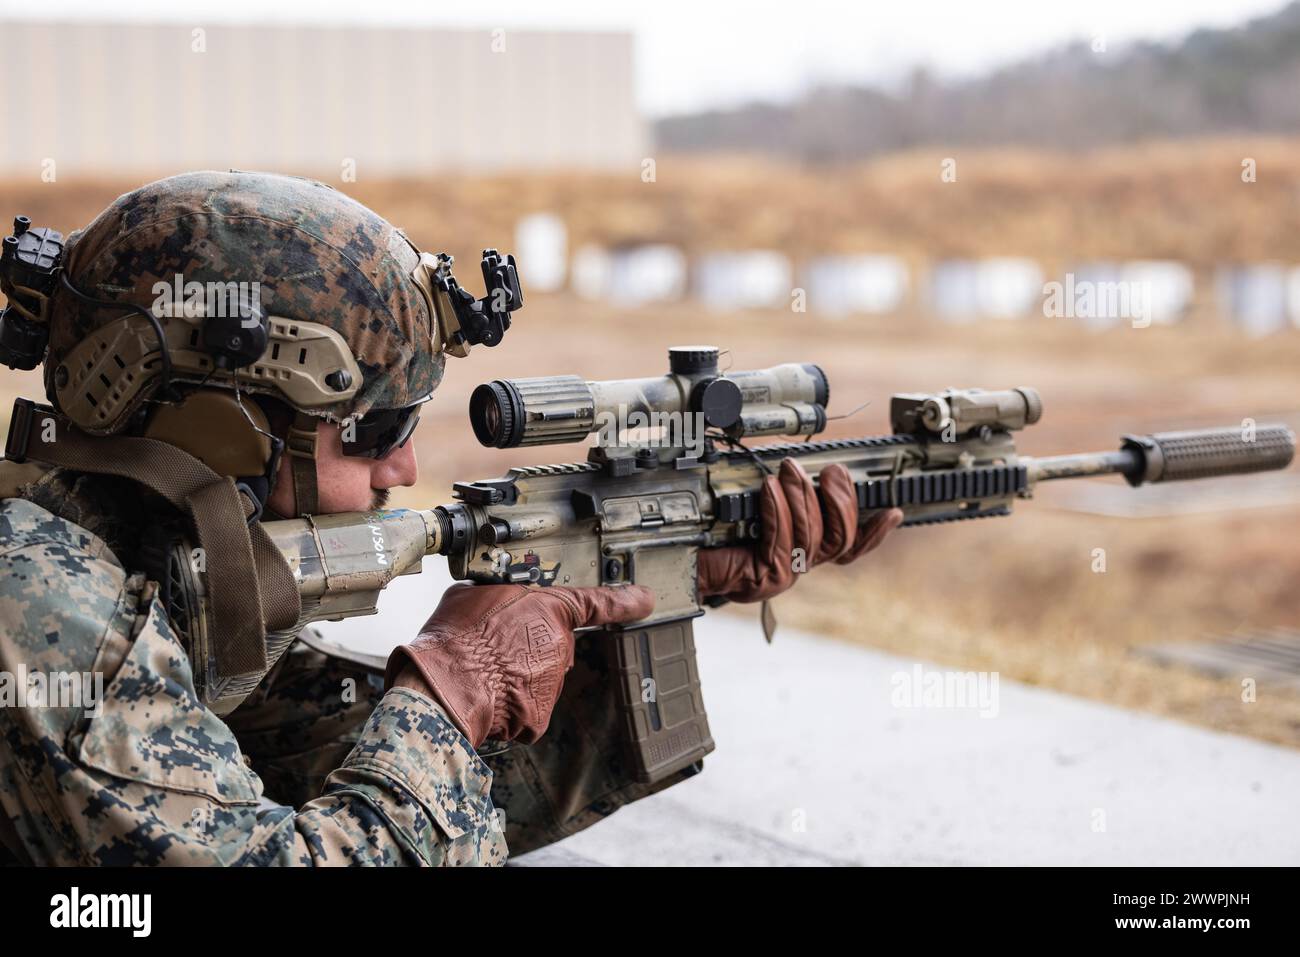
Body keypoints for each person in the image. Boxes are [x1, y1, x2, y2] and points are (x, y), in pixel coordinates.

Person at [0, 171, 902, 865]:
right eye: (377, 430)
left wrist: (651, 583)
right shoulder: (48, 612)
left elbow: (411, 799)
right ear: (223, 431)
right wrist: (451, 686)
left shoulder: (143, 571)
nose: (406, 468)